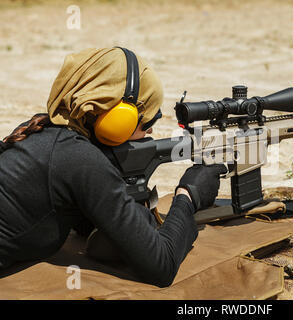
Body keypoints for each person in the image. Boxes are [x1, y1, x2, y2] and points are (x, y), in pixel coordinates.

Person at [0, 47, 225, 287]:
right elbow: (162, 266)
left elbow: (87, 220)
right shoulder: (80, 159)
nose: (150, 131)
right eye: (147, 120)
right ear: (117, 119)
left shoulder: (42, 129)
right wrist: (188, 196)